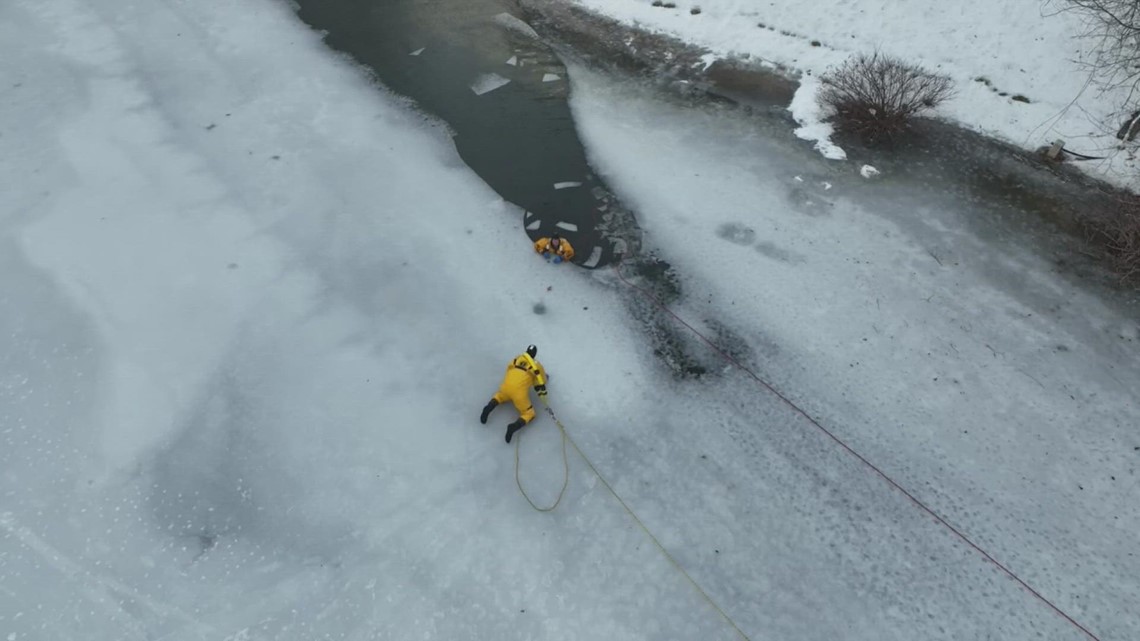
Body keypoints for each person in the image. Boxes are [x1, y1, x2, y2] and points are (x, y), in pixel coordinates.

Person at [480, 344, 548, 443]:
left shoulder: (516, 358)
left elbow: (508, 369)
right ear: (534, 355)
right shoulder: (537, 366)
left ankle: (488, 407)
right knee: (529, 413)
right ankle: (514, 426)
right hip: (518, 394)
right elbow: (542, 381)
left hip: (505, 387)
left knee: (499, 396)